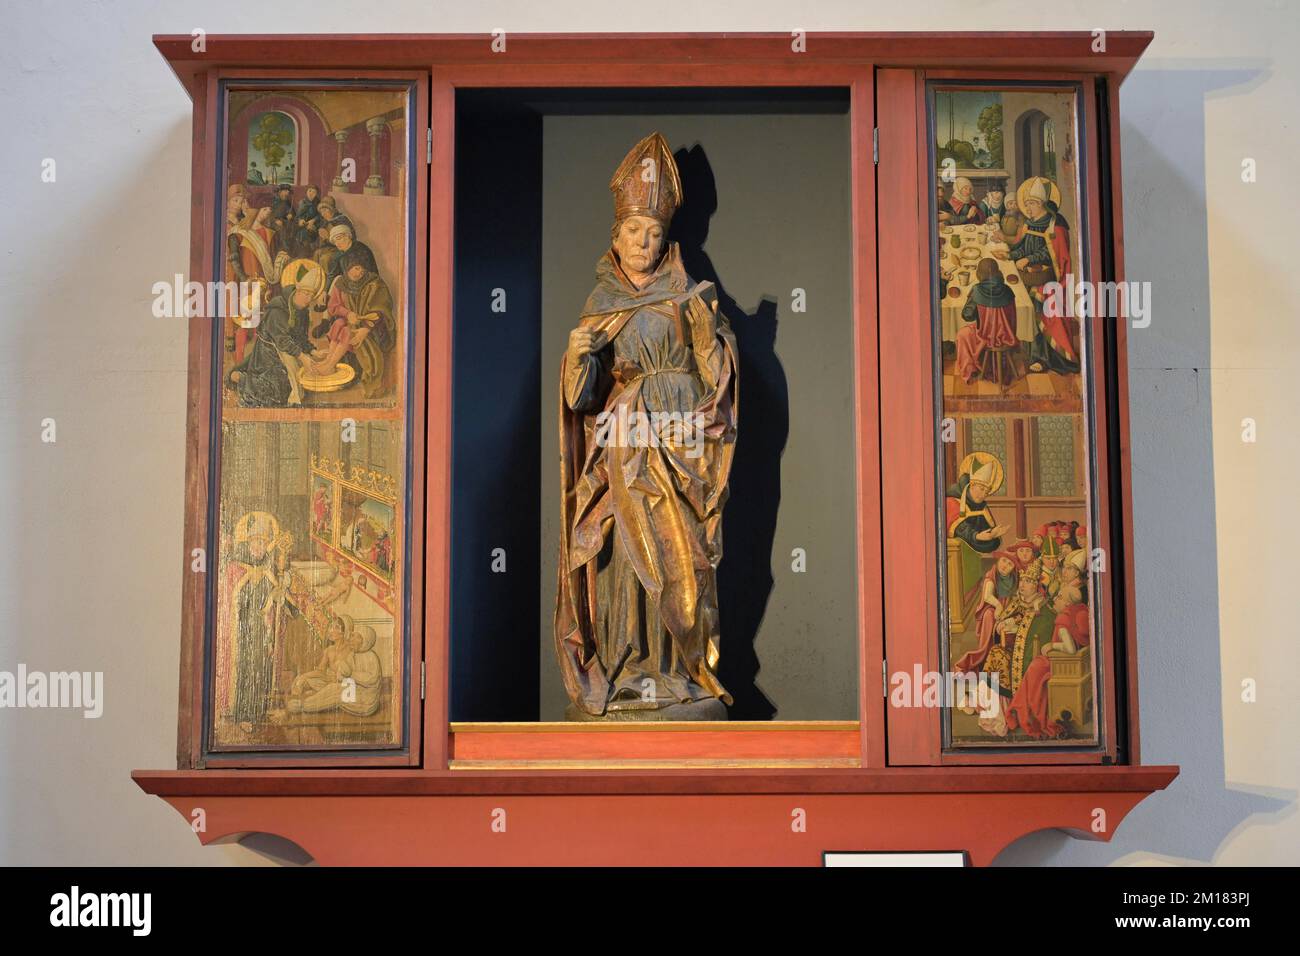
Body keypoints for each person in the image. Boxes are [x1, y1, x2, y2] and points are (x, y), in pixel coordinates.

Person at [555, 132, 737, 718]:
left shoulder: (692, 297)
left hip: (679, 446)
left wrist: (717, 350)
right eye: (635, 230)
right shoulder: (599, 302)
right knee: (623, 560)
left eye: (655, 232)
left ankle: (678, 671)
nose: (645, 241)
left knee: (682, 554)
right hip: (622, 447)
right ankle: (625, 666)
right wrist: (578, 357)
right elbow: (582, 402)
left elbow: (719, 382)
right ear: (615, 235)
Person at [227, 258, 325, 407]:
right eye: (305, 293)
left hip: (289, 352)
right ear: (297, 290)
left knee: (301, 381)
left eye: (311, 296)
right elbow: (282, 340)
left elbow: (300, 338)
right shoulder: (278, 309)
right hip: (267, 355)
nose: (308, 299)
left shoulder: (303, 311)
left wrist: (313, 351)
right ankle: (241, 378)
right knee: (278, 391)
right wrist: (303, 357)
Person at [1008, 176, 1079, 374]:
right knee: (1023, 305)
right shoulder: (1030, 223)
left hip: (1049, 279)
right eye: (1027, 204)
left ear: (1041, 203)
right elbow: (1022, 247)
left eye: (1031, 204)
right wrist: (1010, 254)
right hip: (1031, 276)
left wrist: (1029, 260)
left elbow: (1052, 253)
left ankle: (1045, 358)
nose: (1028, 208)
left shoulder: (1055, 225)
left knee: (1038, 308)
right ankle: (1031, 353)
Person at [311, 257, 397, 398]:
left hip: (374, 327)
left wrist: (365, 329)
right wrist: (348, 313)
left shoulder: (375, 284)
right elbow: (333, 307)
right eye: (356, 268)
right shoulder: (341, 283)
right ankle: (329, 362)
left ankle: (331, 364)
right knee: (338, 323)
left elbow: (382, 310)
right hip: (352, 321)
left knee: (346, 330)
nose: (359, 273)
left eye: (363, 270)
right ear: (347, 267)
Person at [955, 257, 1019, 384]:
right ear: (997, 272)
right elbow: (1012, 319)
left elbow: (967, 315)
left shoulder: (977, 290)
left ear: (980, 273)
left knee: (962, 334)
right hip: (1006, 336)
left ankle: (970, 369)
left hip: (984, 336)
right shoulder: (1008, 290)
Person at [946, 452, 1010, 553]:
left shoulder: (980, 507)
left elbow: (986, 535)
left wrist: (991, 535)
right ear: (972, 485)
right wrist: (977, 536)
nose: (984, 494)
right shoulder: (952, 501)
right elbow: (961, 528)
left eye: (987, 492)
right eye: (981, 489)